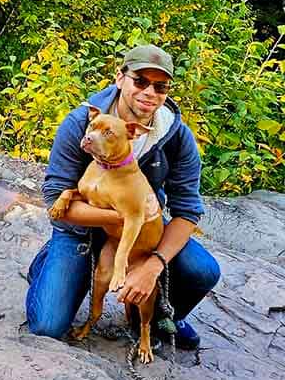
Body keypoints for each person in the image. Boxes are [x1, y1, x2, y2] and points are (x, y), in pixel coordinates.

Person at [25, 43, 220, 350]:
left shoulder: (176, 135)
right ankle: (49, 263)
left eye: (160, 86)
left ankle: (160, 315)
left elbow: (187, 210)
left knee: (203, 270)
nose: (149, 92)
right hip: (82, 227)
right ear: (120, 78)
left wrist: (153, 265)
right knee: (48, 324)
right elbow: (54, 199)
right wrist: (124, 217)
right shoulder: (82, 122)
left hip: (140, 233)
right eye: (140, 81)